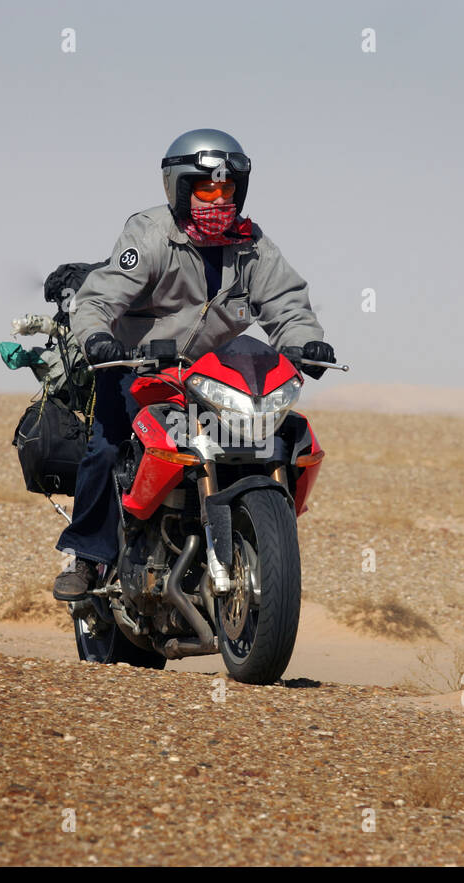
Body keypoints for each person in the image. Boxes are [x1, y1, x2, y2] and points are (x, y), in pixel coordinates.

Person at [52, 128, 336, 600]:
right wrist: (100, 339)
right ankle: (88, 556)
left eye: (227, 188)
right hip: (137, 366)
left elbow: (285, 302)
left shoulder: (251, 245)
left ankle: (259, 541)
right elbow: (98, 298)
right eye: (207, 188)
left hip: (212, 376)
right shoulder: (149, 236)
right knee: (107, 448)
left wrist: (307, 343)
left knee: (276, 435)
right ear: (179, 187)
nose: (218, 198)